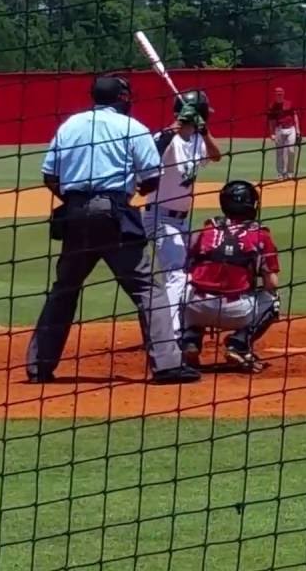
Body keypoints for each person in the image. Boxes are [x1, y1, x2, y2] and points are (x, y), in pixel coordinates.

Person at [28, 75, 200, 384]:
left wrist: (76, 202)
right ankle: (167, 365)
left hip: (74, 215)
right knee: (147, 289)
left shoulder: (69, 126)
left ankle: (39, 366)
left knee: (64, 290)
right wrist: (123, 195)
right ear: (122, 97)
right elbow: (151, 178)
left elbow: (50, 176)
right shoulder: (132, 127)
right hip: (115, 215)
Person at [143, 88, 223, 350]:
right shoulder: (166, 139)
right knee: (176, 273)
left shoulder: (198, 140)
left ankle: (180, 324)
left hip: (181, 220)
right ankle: (170, 334)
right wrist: (175, 127)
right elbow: (152, 154)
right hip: (159, 216)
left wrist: (203, 130)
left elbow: (216, 155)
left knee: (190, 271)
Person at [180, 180, 282, 372]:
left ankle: (189, 340)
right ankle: (239, 344)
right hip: (235, 311)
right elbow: (271, 283)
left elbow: (188, 265)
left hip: (195, 308)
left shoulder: (207, 228)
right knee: (273, 300)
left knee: (181, 286)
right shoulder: (261, 234)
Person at [266, 87, 300, 180]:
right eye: (277, 93)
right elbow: (271, 121)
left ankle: (290, 173)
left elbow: (295, 116)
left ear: (283, 94)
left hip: (290, 129)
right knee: (279, 152)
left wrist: (298, 130)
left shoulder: (289, 103)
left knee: (291, 150)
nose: (279, 95)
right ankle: (280, 173)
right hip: (279, 130)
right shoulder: (272, 106)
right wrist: (272, 133)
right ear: (275, 95)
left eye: (281, 93)